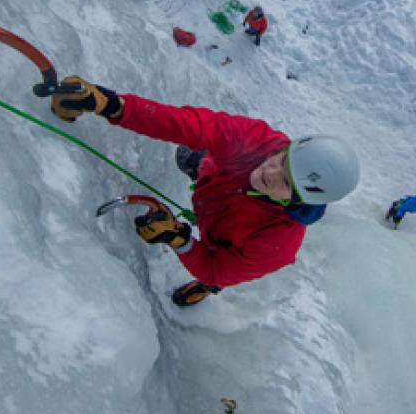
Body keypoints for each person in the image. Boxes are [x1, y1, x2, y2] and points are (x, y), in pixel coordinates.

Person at [50, 76, 360, 306]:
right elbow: (196, 125)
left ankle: (206, 291)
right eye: (281, 161)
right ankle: (201, 181)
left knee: (216, 276)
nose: (269, 172)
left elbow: (217, 267)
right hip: (215, 184)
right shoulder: (263, 142)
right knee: (189, 151)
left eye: (286, 183)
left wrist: (179, 239)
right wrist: (115, 106)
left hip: (223, 236)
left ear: (299, 201)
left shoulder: (275, 244)